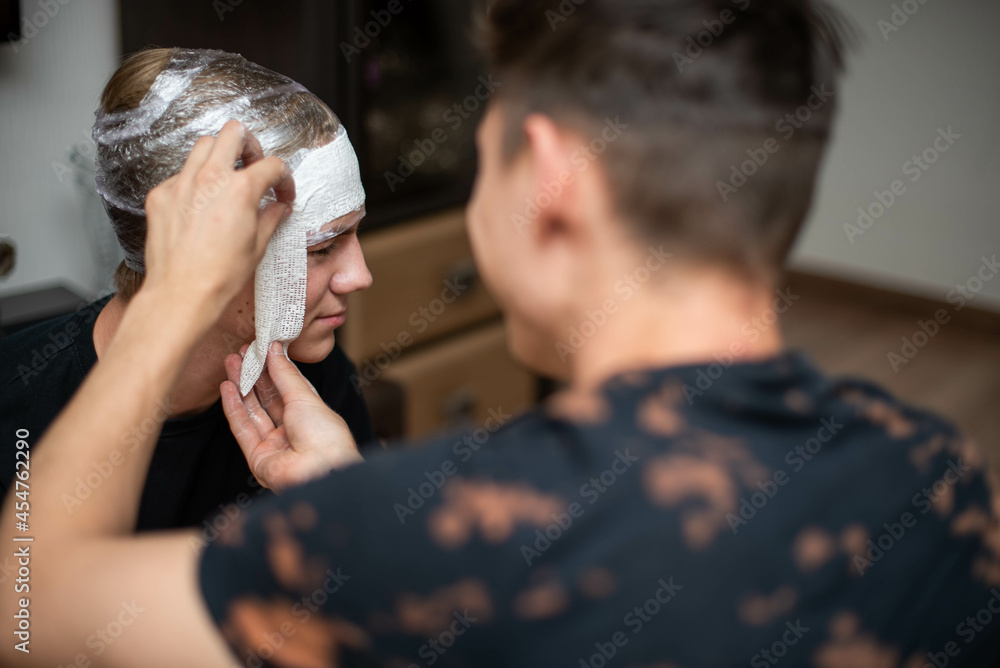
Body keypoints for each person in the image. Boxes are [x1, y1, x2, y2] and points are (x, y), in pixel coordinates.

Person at [3, 1, 1000, 666]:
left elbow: (27, 604)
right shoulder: (937, 476)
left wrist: (174, 304)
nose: (356, 274)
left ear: (550, 176)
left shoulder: (448, 533)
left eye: (485, 153)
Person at [0, 48, 376, 533]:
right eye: (322, 248)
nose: (360, 276)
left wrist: (340, 501)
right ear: (202, 246)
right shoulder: (18, 407)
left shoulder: (312, 388)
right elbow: (29, 602)